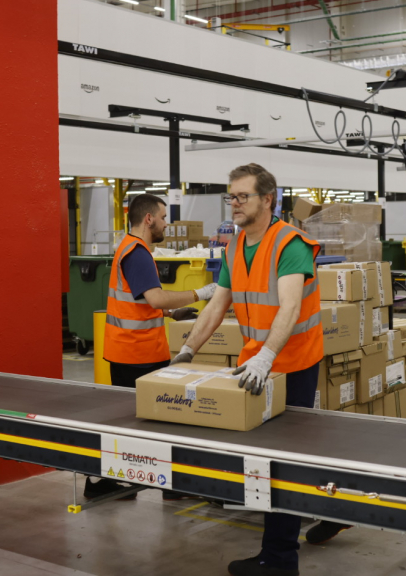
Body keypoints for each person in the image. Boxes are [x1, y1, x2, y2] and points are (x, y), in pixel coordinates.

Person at [171, 164, 323, 576]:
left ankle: (280, 560)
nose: (234, 204)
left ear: (267, 199)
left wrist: (266, 356)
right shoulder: (235, 247)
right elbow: (218, 305)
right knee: (262, 461)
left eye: (242, 196)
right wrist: (185, 352)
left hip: (291, 365)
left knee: (284, 464)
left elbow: (290, 307)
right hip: (255, 365)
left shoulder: (289, 243)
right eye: (231, 197)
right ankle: (287, 543)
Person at [82, 193, 216, 502]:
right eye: (164, 217)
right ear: (148, 219)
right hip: (138, 353)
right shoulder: (138, 253)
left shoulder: (129, 248)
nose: (167, 223)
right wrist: (200, 292)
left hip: (127, 351)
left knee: (133, 423)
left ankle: (106, 481)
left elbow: (141, 303)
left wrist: (170, 313)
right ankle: (170, 486)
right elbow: (155, 297)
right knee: (157, 421)